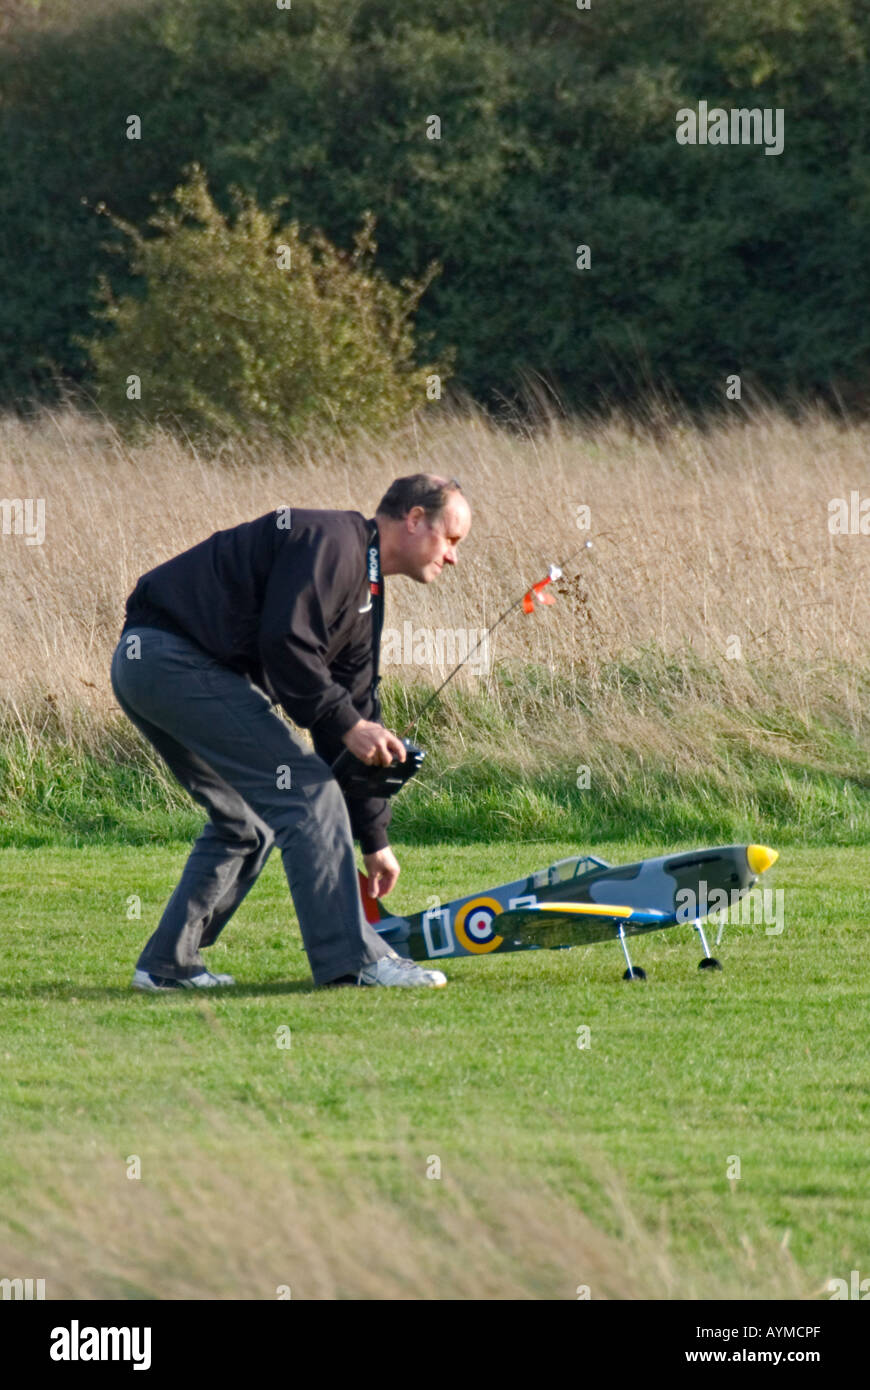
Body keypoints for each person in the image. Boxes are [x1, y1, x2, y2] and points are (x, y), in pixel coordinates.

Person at [110, 473, 471, 992]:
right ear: (415, 520)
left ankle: (168, 965)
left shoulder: (367, 589)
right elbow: (287, 645)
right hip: (171, 660)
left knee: (247, 820)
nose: (454, 557)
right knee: (307, 793)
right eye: (452, 539)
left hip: (151, 668)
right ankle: (354, 961)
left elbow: (354, 706)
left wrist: (373, 838)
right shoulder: (335, 542)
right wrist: (347, 726)